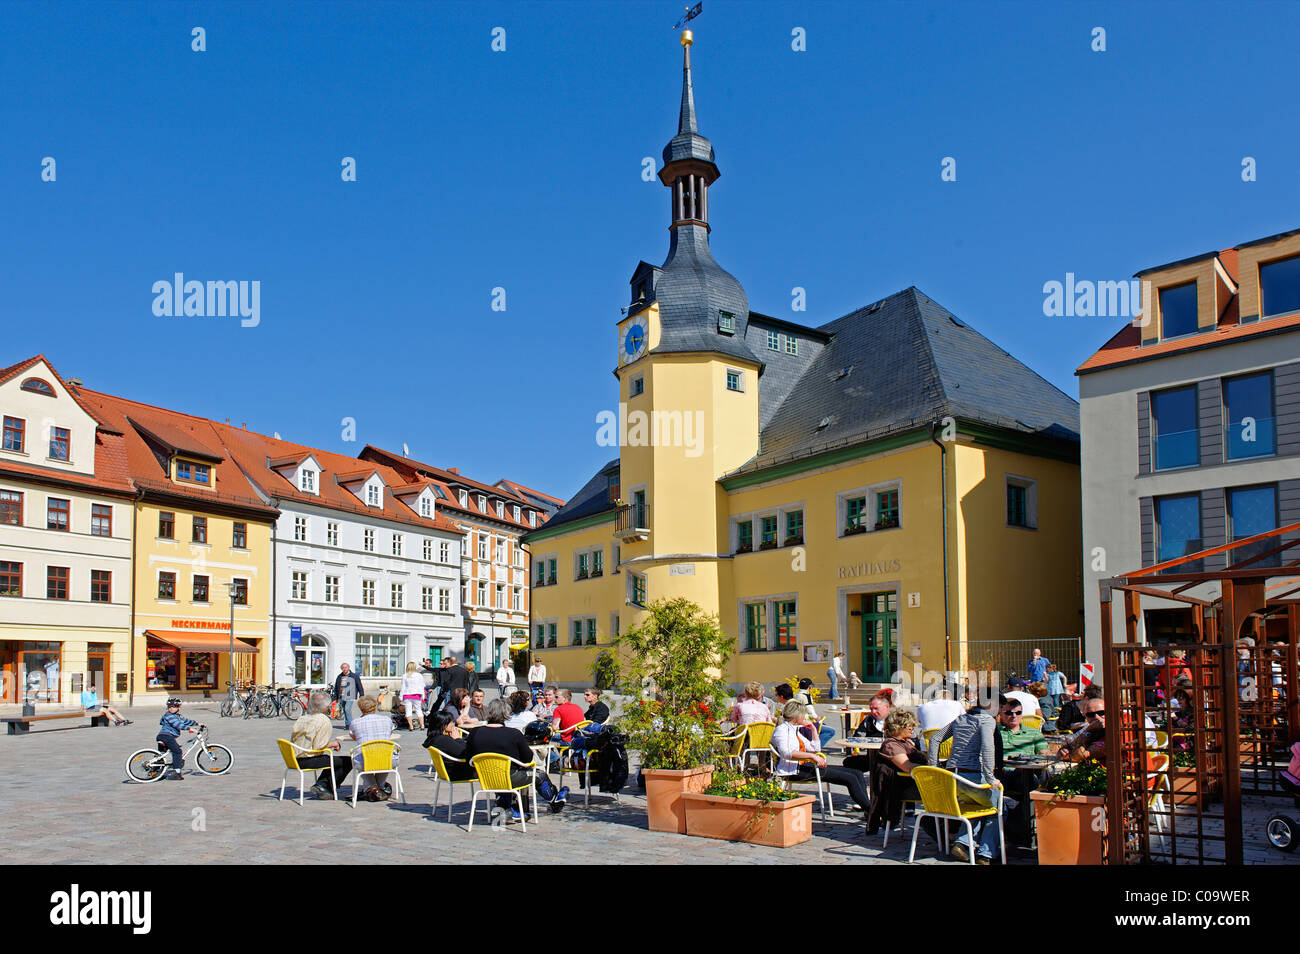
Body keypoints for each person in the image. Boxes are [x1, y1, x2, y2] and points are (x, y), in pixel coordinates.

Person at [464, 698, 566, 821]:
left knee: (506, 772)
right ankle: (554, 800)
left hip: (485, 777)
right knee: (539, 775)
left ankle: (505, 803)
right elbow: (527, 758)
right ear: (507, 714)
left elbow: (468, 757)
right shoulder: (513, 734)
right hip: (510, 778)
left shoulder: (474, 732)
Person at [928, 698, 1003, 864]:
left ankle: (962, 844)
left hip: (952, 779)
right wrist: (991, 777)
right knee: (999, 806)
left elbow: (934, 739)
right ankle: (986, 853)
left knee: (979, 806)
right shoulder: (986, 720)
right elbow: (987, 746)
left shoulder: (961, 719)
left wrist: (934, 768)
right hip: (972, 777)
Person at [771, 700, 871, 814]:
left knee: (856, 772)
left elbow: (815, 748)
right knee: (850, 778)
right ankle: (871, 811)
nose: (806, 716)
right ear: (797, 716)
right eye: (804, 714)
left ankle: (867, 807)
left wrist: (813, 730)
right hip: (793, 771)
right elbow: (786, 753)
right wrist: (812, 757)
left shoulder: (795, 729)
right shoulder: (782, 730)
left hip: (805, 766)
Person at [865, 708, 929, 835]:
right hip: (901, 788)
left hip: (912, 782)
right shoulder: (891, 746)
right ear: (898, 728)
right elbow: (907, 766)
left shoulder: (905, 742)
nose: (912, 730)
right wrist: (931, 769)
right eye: (909, 727)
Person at [291, 691, 352, 798]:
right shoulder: (323, 720)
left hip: (293, 758)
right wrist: (334, 744)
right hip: (308, 759)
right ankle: (323, 785)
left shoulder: (302, 718)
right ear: (327, 706)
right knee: (346, 761)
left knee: (331, 760)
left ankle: (323, 784)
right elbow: (319, 746)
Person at [349, 695, 398, 794]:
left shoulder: (355, 722)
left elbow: (353, 736)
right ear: (375, 707)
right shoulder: (387, 719)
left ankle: (372, 786)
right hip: (387, 759)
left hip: (366, 760)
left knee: (361, 758)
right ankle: (380, 786)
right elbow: (389, 732)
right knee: (384, 757)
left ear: (361, 709)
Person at [422, 712, 475, 781]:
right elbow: (464, 752)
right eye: (451, 722)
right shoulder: (443, 740)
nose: (453, 724)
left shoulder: (433, 738)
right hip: (458, 773)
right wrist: (458, 739)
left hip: (447, 772)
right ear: (444, 725)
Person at [156, 698, 198, 781]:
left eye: (174, 706)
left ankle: (156, 772)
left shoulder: (178, 716)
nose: (171, 708)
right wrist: (190, 729)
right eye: (169, 706)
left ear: (179, 707)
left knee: (162, 755)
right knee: (177, 751)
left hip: (166, 736)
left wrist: (197, 723)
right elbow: (178, 725)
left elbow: (186, 721)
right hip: (166, 736)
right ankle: (177, 773)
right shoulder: (169, 716)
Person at [1058, 696, 1106, 762]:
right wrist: (1063, 751)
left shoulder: (1111, 731)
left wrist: (1088, 730)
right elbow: (1070, 745)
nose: (1096, 717)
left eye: (1101, 713)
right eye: (1090, 714)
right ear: (1085, 716)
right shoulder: (1090, 728)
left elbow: (1079, 756)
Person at [333, 663, 364, 729]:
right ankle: (347, 724)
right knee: (344, 710)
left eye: (346, 667)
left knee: (347, 709)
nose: (344, 669)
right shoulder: (339, 676)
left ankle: (351, 724)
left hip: (351, 695)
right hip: (342, 695)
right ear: (341, 669)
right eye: (343, 668)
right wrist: (336, 697)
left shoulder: (354, 676)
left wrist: (362, 695)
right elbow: (336, 687)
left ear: (348, 668)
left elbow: (359, 686)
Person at [400, 662, 426, 732]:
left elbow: (403, 687)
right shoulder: (419, 675)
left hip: (407, 694)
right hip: (417, 694)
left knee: (408, 711)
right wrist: (423, 695)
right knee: (418, 710)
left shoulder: (405, 676)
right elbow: (422, 685)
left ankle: (411, 726)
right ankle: (422, 725)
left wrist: (400, 697)